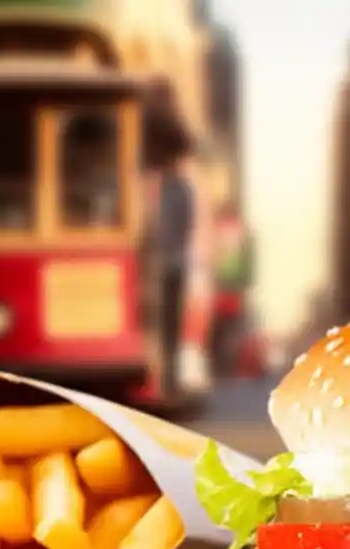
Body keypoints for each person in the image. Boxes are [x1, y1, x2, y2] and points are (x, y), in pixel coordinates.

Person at [142, 80, 196, 399]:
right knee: (164, 323)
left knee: (161, 321)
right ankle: (164, 380)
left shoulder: (166, 188)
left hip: (165, 259)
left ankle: (163, 380)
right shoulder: (175, 187)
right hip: (168, 259)